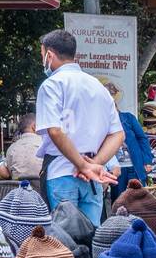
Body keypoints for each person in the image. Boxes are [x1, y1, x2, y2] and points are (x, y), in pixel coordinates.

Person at [35, 29, 124, 225]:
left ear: (49, 55)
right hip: (93, 175)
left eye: (42, 55)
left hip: (61, 172)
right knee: (92, 235)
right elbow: (118, 134)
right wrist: (93, 164)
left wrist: (84, 166)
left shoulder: (52, 85)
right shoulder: (99, 87)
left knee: (63, 238)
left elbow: (55, 130)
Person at [102, 81, 153, 199]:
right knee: (118, 200)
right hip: (116, 168)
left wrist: (147, 160)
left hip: (134, 166)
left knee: (138, 199)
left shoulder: (128, 118)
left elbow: (142, 138)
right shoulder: (102, 122)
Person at [5, 113, 44, 180]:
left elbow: (10, 173)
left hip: (18, 186)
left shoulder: (11, 148)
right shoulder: (45, 145)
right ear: (34, 127)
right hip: (43, 185)